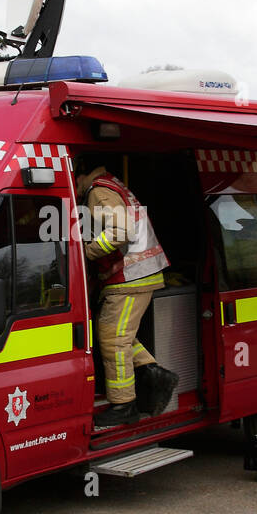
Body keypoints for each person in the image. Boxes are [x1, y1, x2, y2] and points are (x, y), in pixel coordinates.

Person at [75, 159, 179, 427]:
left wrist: (83, 253)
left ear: (80, 175)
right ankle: (154, 374)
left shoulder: (98, 191)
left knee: (114, 340)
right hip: (136, 274)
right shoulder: (110, 184)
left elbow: (120, 232)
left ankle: (124, 406)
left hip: (130, 276)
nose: (73, 190)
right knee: (116, 336)